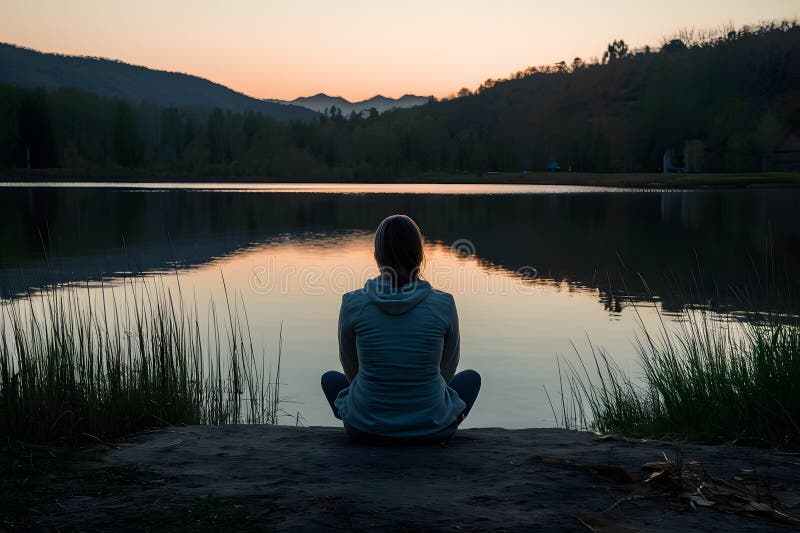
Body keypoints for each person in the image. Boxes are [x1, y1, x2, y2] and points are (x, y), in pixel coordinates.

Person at [321, 214, 481, 442]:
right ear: (419, 255)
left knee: (331, 379)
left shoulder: (353, 303)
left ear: (377, 255)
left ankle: (374, 420)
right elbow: (447, 369)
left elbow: (351, 370)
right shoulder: (443, 303)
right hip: (432, 429)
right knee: (470, 379)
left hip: (365, 429)